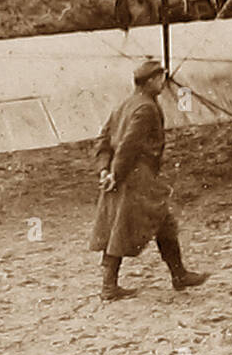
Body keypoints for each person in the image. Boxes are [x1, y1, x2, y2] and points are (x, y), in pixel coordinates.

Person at [89, 59, 208, 300]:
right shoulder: (146, 108)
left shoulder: (124, 105)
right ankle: (111, 287)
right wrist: (116, 173)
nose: (163, 83)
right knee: (129, 227)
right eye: (160, 79)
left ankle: (178, 275)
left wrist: (105, 170)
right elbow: (129, 145)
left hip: (121, 175)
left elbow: (103, 140)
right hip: (136, 176)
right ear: (151, 81)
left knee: (156, 221)